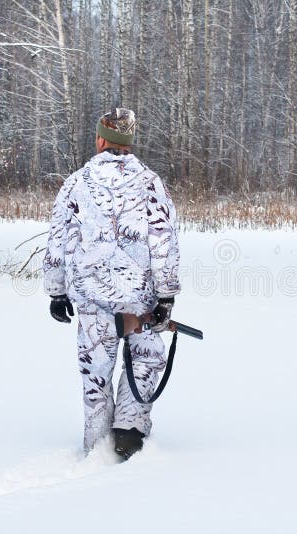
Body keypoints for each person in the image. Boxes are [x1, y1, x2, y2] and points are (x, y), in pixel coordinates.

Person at [42, 108, 180, 460]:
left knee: (95, 372)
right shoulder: (151, 183)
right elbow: (164, 241)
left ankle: (96, 445)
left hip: (92, 299)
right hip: (141, 299)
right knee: (146, 360)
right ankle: (128, 436)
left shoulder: (75, 183)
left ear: (102, 140)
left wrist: (56, 291)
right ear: (128, 143)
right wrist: (165, 295)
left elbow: (59, 239)